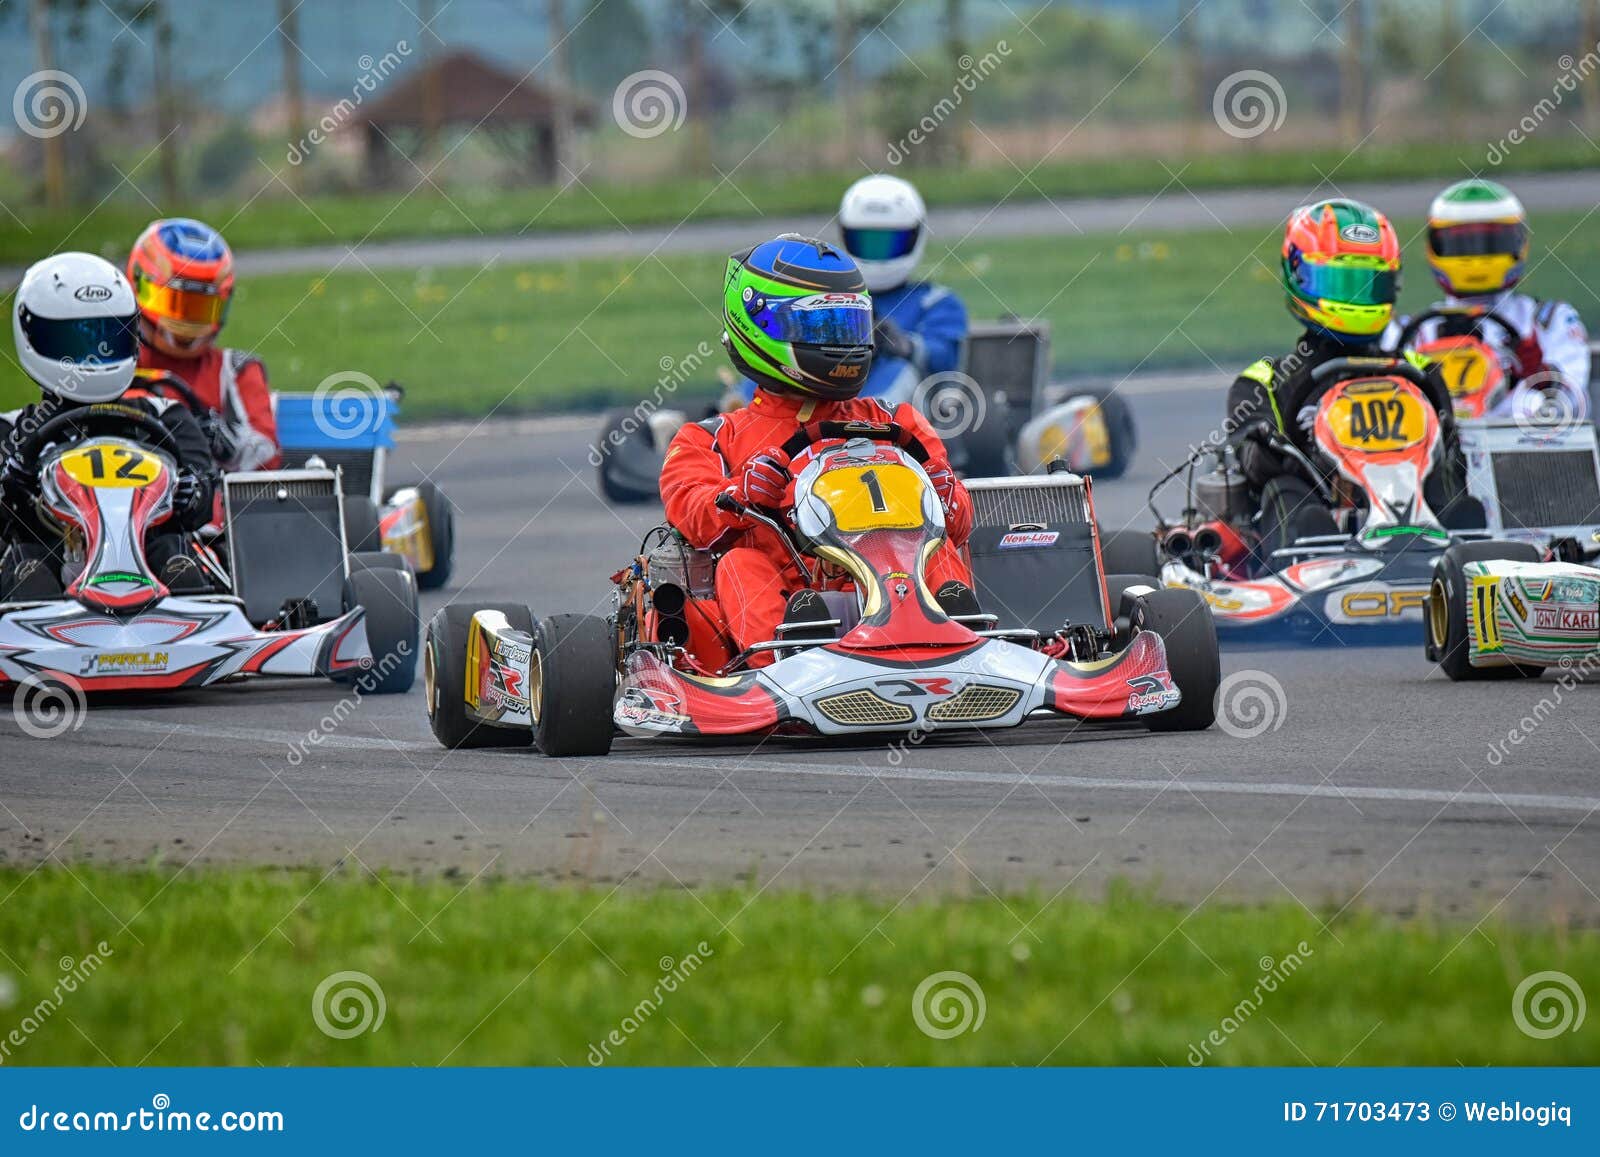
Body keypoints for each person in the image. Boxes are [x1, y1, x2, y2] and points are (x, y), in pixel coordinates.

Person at [660, 235, 975, 666]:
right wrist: (742, 493)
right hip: (792, 593)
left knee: (939, 547)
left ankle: (960, 642)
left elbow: (958, 526)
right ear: (760, 324)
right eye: (822, 329)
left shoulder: (896, 420)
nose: (841, 344)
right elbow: (694, 516)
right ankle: (790, 660)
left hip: (896, 581)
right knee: (738, 563)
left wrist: (947, 495)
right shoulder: (712, 438)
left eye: (849, 327)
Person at [1224, 198, 1470, 557]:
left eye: (1368, 282)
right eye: (1338, 280)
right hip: (1322, 523)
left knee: (1447, 478)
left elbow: (1450, 446)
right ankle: (1298, 561)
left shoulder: (1420, 370)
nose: (1354, 299)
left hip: (1418, 512)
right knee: (1285, 490)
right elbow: (1254, 463)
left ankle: (1466, 551)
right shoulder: (1265, 382)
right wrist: (1305, 450)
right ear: (1299, 275)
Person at [0, 253, 216, 599]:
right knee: (30, 568)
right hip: (47, 570)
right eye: (75, 342)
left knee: (176, 558)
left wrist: (193, 491)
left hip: (157, 568)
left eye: (107, 337)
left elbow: (204, 496)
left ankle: (200, 623)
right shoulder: (10, 432)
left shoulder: (167, 416)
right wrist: (12, 490)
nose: (94, 353)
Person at [733, 175, 968, 407]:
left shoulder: (935, 303)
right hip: (827, 391)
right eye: (866, 242)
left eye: (888, 243)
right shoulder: (826, 297)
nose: (876, 253)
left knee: (900, 368)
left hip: (908, 416)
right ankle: (741, 415)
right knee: (771, 357)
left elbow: (944, 359)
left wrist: (903, 346)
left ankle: (870, 423)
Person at [1385, 178, 1590, 423]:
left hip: (1526, 450)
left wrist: (1537, 375)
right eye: (1461, 245)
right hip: (1436, 450)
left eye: (1490, 243)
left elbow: (1571, 407)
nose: (1476, 257)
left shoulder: (1548, 321)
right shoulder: (1413, 333)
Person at [129, 217, 281, 471]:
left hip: (206, 503)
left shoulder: (236, 370)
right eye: (175, 302)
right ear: (140, 287)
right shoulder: (114, 368)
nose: (187, 322)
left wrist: (222, 441)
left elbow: (266, 455)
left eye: (200, 307)